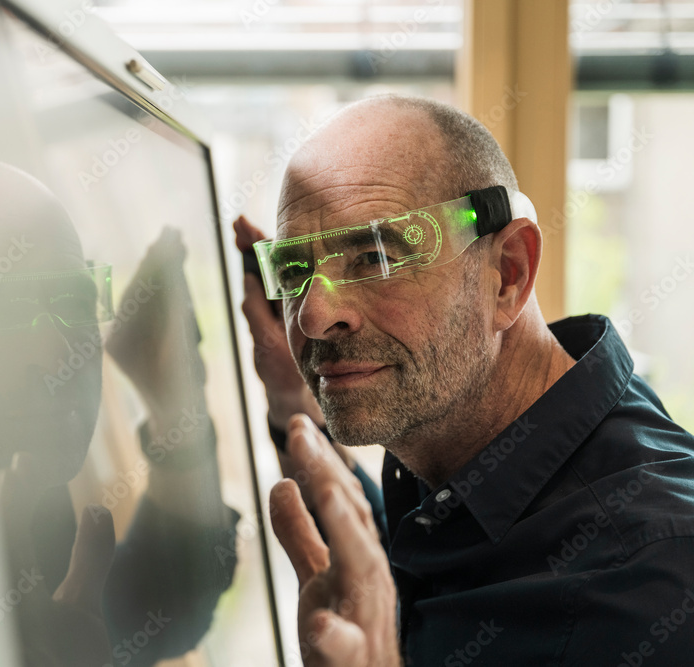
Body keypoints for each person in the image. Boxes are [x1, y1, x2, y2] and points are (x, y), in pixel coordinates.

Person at [235, 95, 694, 666]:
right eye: (296, 269)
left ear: (508, 274)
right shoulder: (470, 452)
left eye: (377, 255)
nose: (312, 316)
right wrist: (288, 398)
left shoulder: (656, 584)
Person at [0, 156, 237, 666]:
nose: (62, 354)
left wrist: (174, 405)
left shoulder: (28, 503)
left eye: (74, 300)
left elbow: (160, 605)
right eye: (9, 311)